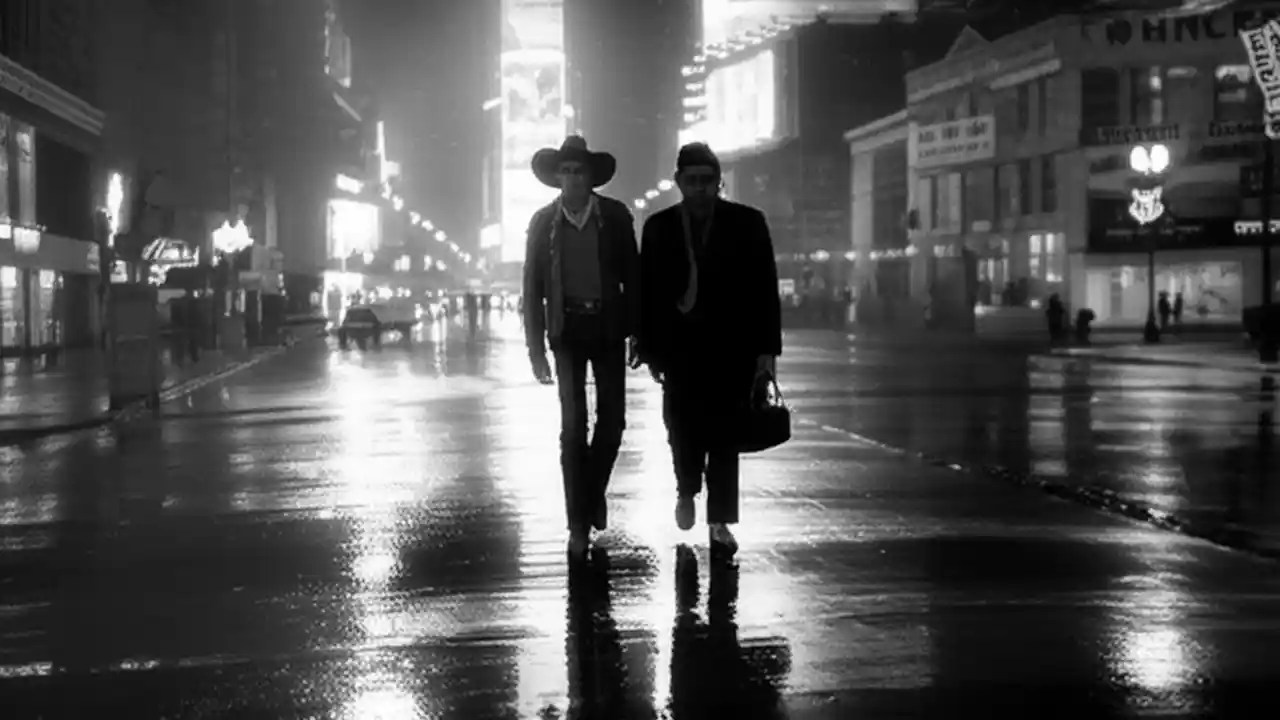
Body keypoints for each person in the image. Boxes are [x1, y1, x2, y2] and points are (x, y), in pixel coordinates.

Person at [637, 142, 782, 558]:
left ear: (719, 182)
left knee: (724, 436)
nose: (700, 189)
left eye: (707, 181)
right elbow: (647, 292)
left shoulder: (747, 223)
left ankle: (719, 521)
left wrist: (766, 353)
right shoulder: (659, 227)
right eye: (691, 181)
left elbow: (764, 290)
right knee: (680, 427)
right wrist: (648, 348)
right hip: (680, 350)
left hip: (731, 348)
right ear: (678, 182)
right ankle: (686, 489)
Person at [521, 135, 641, 560]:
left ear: (592, 178)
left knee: (613, 422)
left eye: (579, 171)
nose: (572, 179)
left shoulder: (614, 216)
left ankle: (592, 492)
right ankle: (578, 523)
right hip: (566, 332)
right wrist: (536, 348)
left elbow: (634, 278)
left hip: (608, 329)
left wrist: (638, 333)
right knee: (573, 428)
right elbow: (532, 289)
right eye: (566, 172)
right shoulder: (542, 222)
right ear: (557, 178)